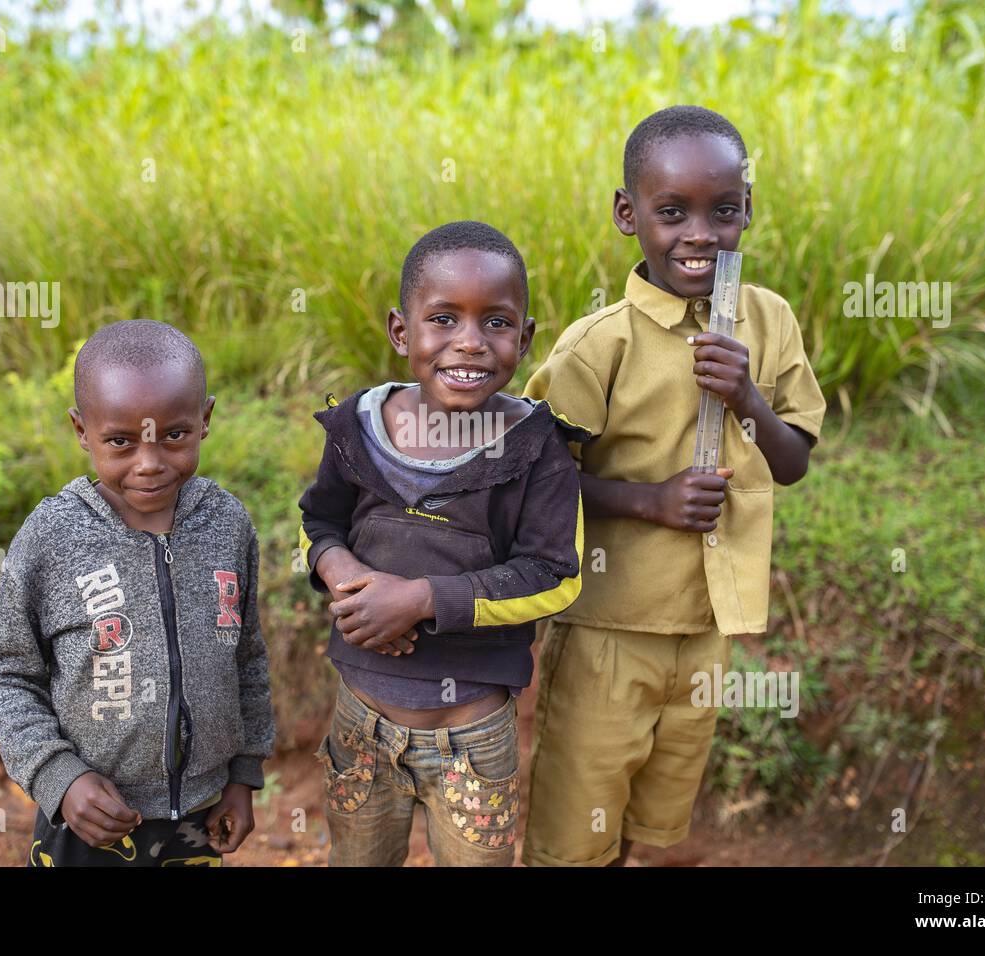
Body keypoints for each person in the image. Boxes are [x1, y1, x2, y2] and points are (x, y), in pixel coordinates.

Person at [521, 106, 827, 867]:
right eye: (671, 212)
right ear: (629, 216)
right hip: (609, 630)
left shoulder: (770, 320)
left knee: (648, 824)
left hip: (706, 628)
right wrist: (651, 500)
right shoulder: (600, 344)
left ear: (748, 211)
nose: (701, 234)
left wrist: (748, 399)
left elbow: (793, 460)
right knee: (575, 831)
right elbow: (535, 482)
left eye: (724, 211)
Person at [297, 220, 588, 866]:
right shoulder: (358, 427)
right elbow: (318, 523)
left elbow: (554, 575)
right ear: (403, 332)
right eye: (444, 319)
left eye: (497, 323)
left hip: (472, 742)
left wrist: (421, 600)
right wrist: (346, 576)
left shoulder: (537, 451)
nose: (470, 343)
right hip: (361, 727)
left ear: (526, 336)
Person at [0, 319, 275, 866]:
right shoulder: (53, 538)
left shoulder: (227, 524)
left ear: (204, 419)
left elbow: (247, 659)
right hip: (90, 817)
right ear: (81, 430)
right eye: (120, 441)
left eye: (174, 435)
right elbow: (7, 676)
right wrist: (60, 778)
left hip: (198, 814)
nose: (149, 462)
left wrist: (242, 775)